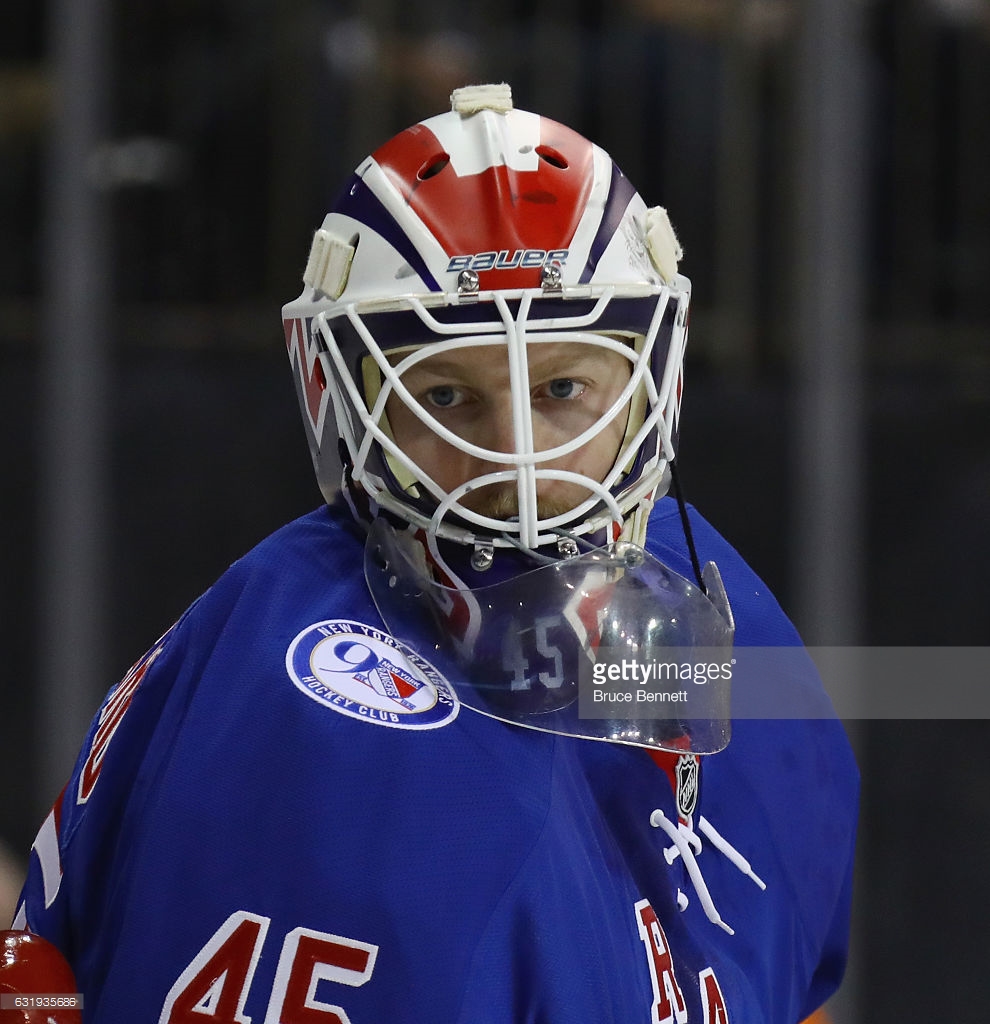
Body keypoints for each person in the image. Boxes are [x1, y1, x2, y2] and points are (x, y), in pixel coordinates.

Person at [12, 83, 857, 1022]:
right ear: (341, 399)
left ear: (658, 370)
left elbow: (795, 984)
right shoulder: (315, 731)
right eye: (447, 397)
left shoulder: (709, 617)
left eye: (565, 385)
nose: (517, 466)